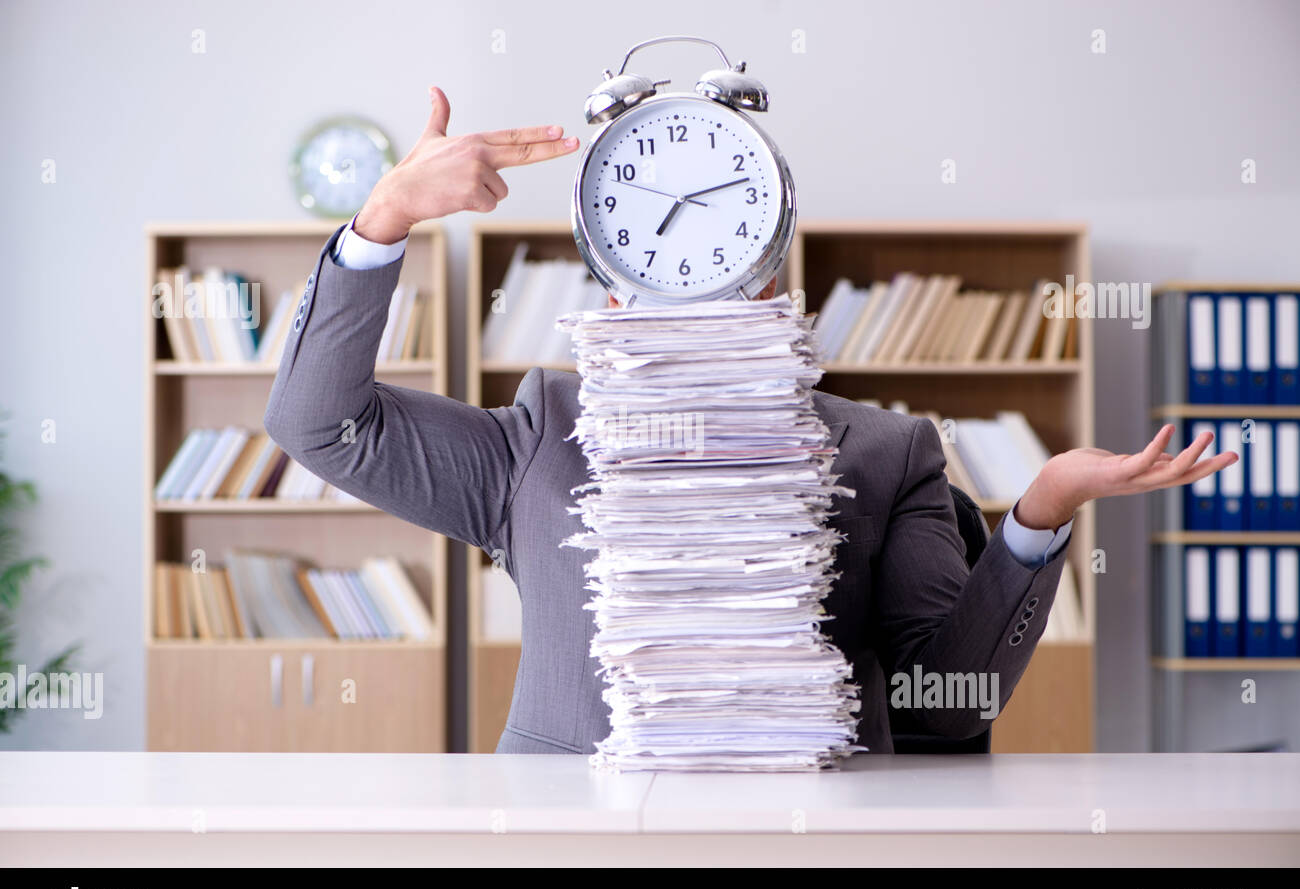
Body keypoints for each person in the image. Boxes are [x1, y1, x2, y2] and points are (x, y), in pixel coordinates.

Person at [265, 87, 1235, 754]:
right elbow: (320, 425)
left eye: (716, 233)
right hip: (573, 837)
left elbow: (945, 708)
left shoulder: (885, 450)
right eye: (646, 242)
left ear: (770, 273)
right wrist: (380, 220)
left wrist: (1041, 510)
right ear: (607, 285)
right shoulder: (541, 431)